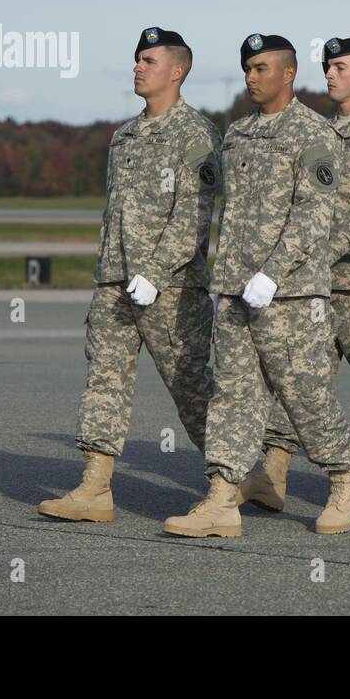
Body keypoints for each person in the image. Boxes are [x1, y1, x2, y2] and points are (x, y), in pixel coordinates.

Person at [163, 33, 350, 538]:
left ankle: (345, 480)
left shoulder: (314, 135)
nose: (251, 77)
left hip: (291, 295)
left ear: (288, 73)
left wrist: (272, 273)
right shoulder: (236, 135)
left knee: (305, 396)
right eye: (246, 68)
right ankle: (220, 499)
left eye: (260, 68)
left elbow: (315, 214)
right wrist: (229, 280)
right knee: (232, 395)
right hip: (235, 293)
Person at [39, 27, 219, 524]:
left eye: (148, 60)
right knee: (104, 381)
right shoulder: (124, 136)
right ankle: (95, 486)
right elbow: (113, 212)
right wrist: (109, 274)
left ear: (176, 70)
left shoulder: (196, 134)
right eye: (136, 60)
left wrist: (156, 271)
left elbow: (195, 216)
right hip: (115, 283)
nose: (137, 68)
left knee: (191, 389)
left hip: (173, 288)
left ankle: (234, 478)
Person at [238, 36, 350, 512]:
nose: (330, 73)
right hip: (313, 287)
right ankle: (271, 472)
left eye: (339, 66)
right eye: (326, 66)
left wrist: (315, 252)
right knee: (299, 383)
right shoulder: (314, 131)